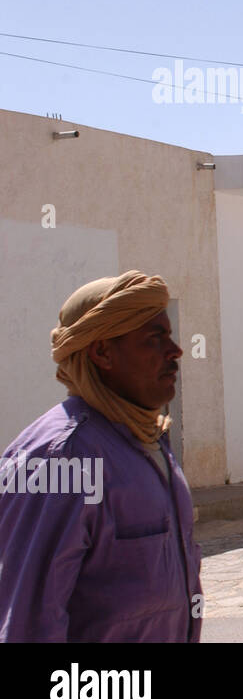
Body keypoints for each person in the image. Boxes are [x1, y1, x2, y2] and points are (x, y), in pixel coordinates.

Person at [0, 270, 202, 642]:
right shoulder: (60, 459)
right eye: (155, 339)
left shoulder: (151, 440)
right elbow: (28, 622)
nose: (175, 351)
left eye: (169, 336)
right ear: (102, 352)